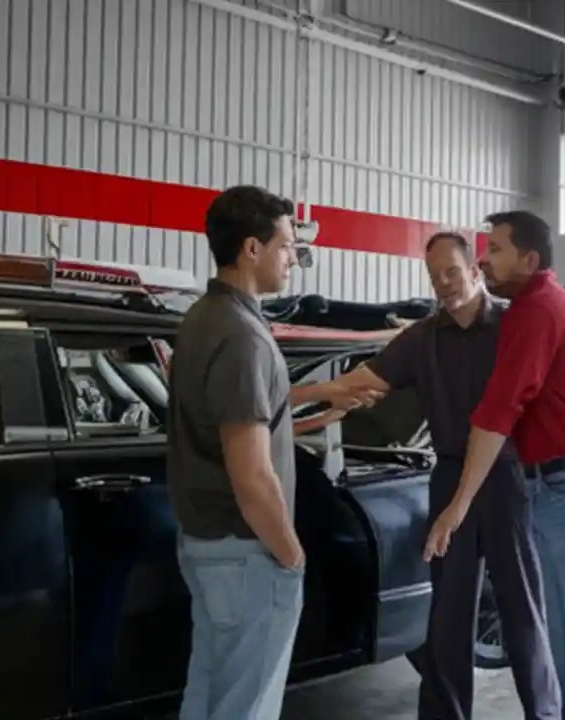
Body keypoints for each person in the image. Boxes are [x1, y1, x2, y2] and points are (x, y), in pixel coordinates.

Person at [167, 185, 378, 720]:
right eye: (286, 245)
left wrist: (316, 398)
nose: (293, 258)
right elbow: (252, 475)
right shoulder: (243, 336)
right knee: (247, 705)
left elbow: (236, 406)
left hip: (207, 543)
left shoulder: (201, 319)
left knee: (210, 692)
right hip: (247, 550)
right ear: (252, 249)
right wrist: (291, 554)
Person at [329, 231, 561, 720]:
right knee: (448, 616)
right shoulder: (422, 339)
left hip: (508, 480)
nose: (443, 283)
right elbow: (363, 381)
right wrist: (289, 396)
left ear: (475, 270)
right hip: (450, 476)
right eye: (435, 276)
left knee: (522, 609)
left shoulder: (514, 326)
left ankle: (544, 713)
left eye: (452, 271)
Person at [423, 211, 565, 720]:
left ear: (529, 259)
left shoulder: (539, 311)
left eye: (494, 249)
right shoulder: (525, 310)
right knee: (563, 644)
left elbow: (498, 412)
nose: (483, 258)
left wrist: (457, 507)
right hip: (554, 486)